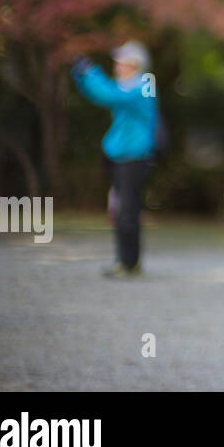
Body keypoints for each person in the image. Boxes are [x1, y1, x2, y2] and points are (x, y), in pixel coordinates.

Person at [72, 41, 162, 278]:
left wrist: (90, 72)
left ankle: (129, 263)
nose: (117, 65)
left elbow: (110, 95)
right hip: (119, 155)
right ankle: (125, 261)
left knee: (127, 211)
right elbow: (101, 94)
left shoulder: (145, 84)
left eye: (121, 61)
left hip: (134, 156)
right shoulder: (128, 85)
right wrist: (82, 77)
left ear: (135, 64)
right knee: (118, 209)